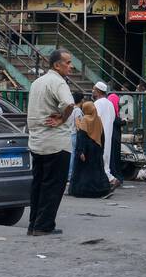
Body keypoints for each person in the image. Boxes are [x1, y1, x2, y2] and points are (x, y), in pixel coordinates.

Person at [26, 48, 76, 236]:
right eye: (68, 63)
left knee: (38, 184)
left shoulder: (37, 83)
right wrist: (62, 119)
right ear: (57, 65)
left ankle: (33, 224)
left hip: (37, 142)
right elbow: (69, 104)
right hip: (56, 142)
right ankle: (44, 225)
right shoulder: (58, 82)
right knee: (53, 186)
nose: (71, 67)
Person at [69, 101, 114, 198]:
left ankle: (83, 191)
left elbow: (81, 136)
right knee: (97, 171)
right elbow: (102, 136)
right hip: (96, 149)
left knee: (84, 172)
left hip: (86, 150)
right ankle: (101, 190)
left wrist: (81, 151)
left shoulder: (85, 120)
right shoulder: (98, 119)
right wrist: (101, 148)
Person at [91, 81, 119, 191]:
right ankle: (108, 180)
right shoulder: (109, 104)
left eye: (94, 89)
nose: (92, 91)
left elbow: (93, 119)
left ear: (98, 91)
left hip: (98, 135)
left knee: (98, 159)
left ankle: (110, 180)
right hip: (107, 134)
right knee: (105, 159)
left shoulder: (98, 104)